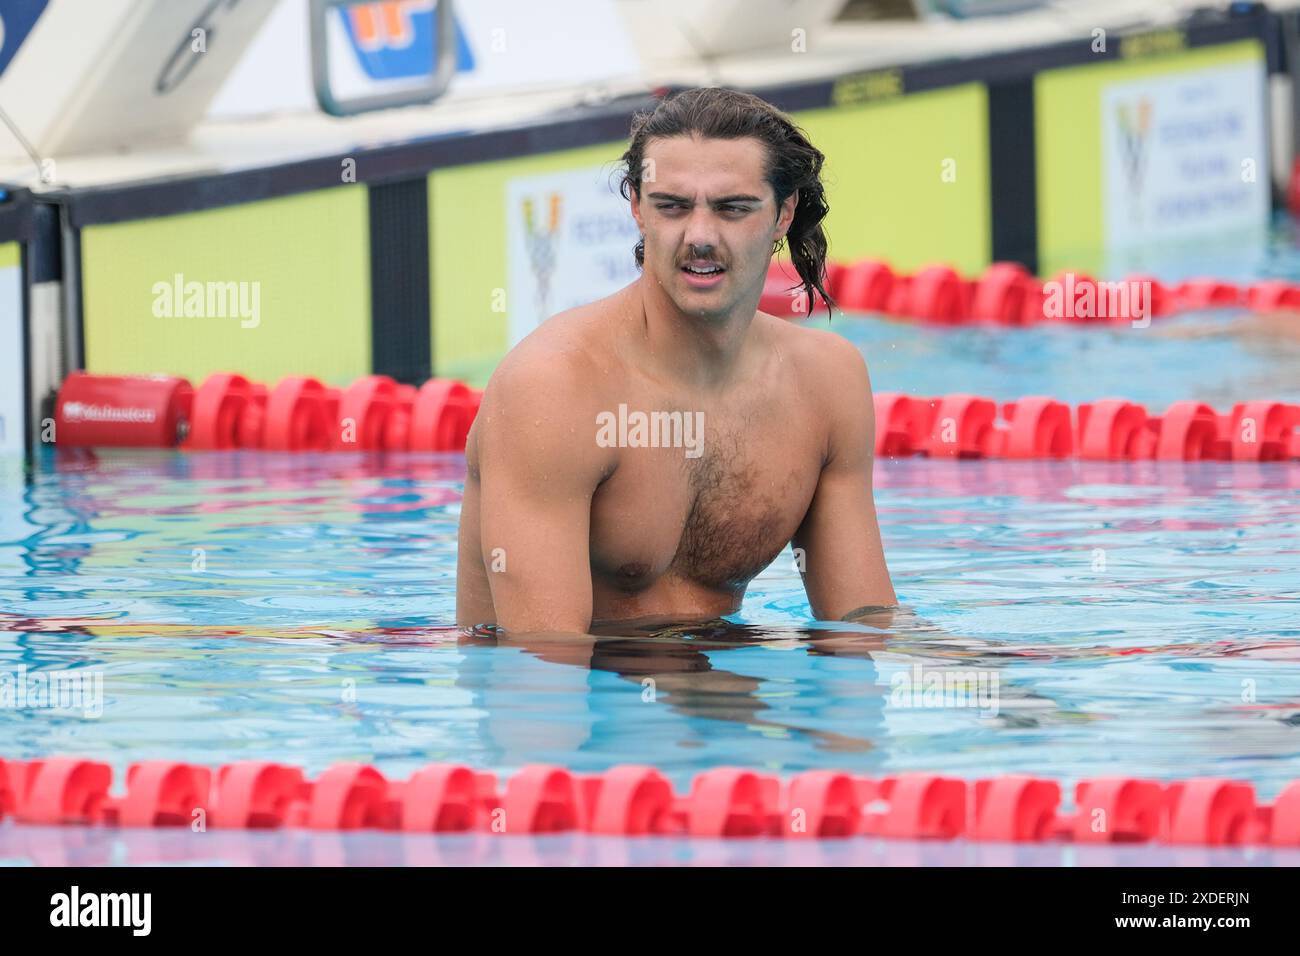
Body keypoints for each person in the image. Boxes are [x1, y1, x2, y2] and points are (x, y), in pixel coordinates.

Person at [456, 87, 897, 636]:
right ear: (637, 209)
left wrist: (971, 663)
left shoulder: (826, 380)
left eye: (732, 208)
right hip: (588, 683)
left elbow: (863, 626)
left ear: (784, 213)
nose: (700, 237)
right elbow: (544, 667)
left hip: (726, 674)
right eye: (672, 206)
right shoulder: (554, 388)